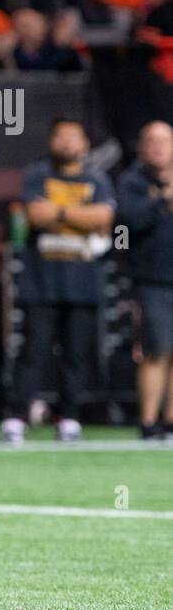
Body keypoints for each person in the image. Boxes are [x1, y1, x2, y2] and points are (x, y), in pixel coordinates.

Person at [2, 119, 116, 444]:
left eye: (73, 136)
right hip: (41, 283)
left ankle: (70, 417)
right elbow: (35, 214)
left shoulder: (98, 179)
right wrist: (82, 215)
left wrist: (60, 213)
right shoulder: (37, 174)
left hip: (83, 286)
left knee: (77, 354)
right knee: (32, 352)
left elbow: (105, 218)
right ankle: (17, 416)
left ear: (85, 144)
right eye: (60, 136)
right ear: (52, 141)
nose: (67, 142)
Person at [116, 121, 173, 440]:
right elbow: (126, 225)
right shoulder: (132, 182)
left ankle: (171, 422)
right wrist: (163, 198)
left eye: (164, 140)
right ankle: (149, 423)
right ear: (141, 146)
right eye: (151, 140)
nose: (158, 146)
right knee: (157, 349)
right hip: (151, 278)